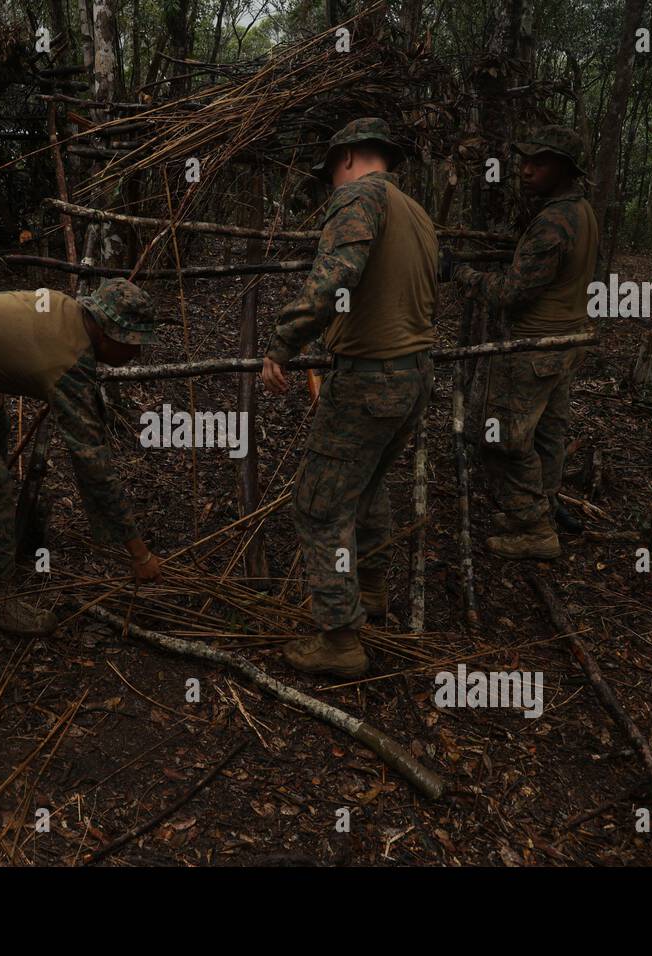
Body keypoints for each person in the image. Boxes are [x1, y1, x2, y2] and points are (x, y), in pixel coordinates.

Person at [261, 117, 438, 679]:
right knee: (364, 489)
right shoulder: (418, 215)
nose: (330, 185)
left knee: (319, 504)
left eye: (331, 172)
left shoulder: (359, 196)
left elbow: (336, 274)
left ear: (350, 156)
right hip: (412, 377)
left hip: (370, 380)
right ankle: (372, 590)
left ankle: (339, 638)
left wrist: (284, 341)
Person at [0, 280, 165, 603]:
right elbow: (94, 465)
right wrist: (138, 552)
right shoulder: (68, 362)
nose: (137, 353)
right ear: (109, 333)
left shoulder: (62, 306)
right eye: (133, 342)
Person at [454, 125, 599, 559]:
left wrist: (460, 274)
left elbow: (510, 293)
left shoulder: (554, 223)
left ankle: (534, 527)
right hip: (565, 344)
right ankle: (540, 509)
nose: (525, 169)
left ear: (566, 170)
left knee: (499, 437)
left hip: (534, 347)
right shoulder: (580, 212)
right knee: (547, 434)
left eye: (540, 162)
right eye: (525, 160)